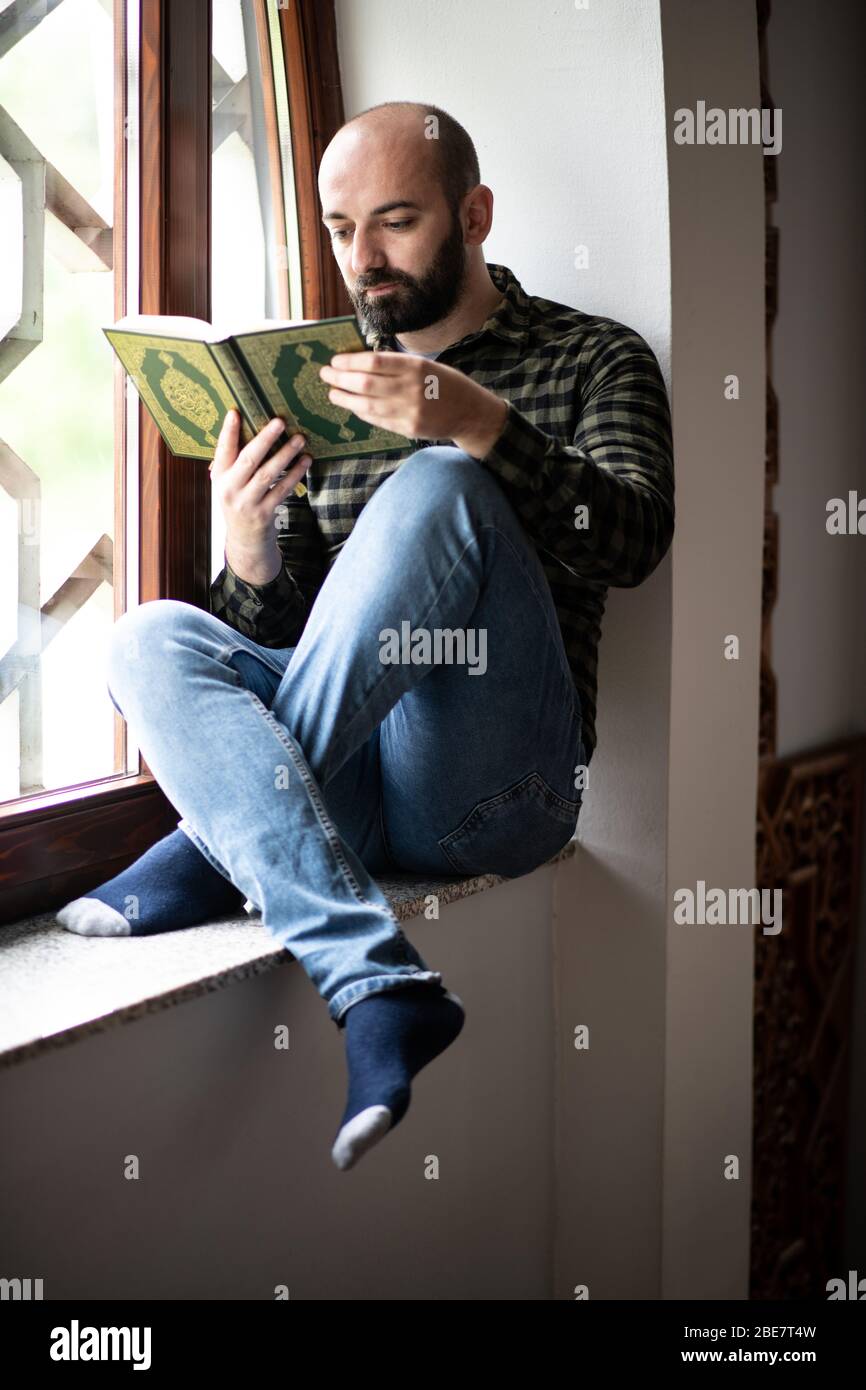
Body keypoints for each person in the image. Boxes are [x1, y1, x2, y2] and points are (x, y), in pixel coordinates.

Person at [56, 101, 675, 1171]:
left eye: (394, 222)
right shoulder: (317, 385)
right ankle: (376, 983)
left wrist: (473, 421)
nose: (365, 259)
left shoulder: (591, 357)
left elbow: (631, 539)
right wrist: (248, 551)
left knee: (438, 481)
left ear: (472, 214)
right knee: (146, 637)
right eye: (343, 230)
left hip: (495, 789)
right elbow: (306, 636)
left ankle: (214, 843)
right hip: (343, 789)